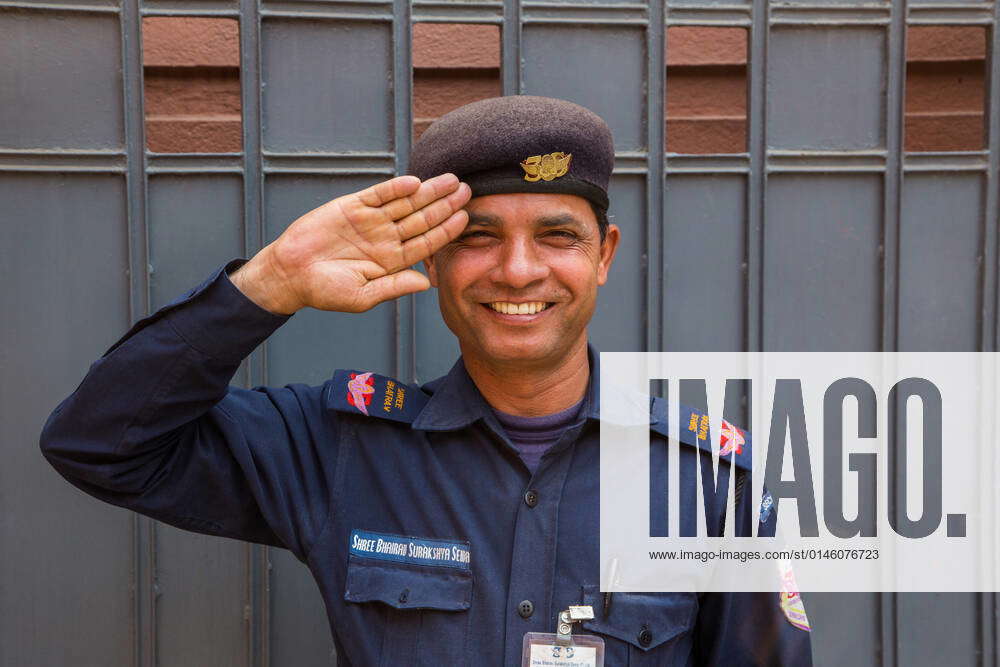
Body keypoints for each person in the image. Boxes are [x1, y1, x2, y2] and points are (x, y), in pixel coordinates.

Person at [40, 95, 812, 665]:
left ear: (603, 255)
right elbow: (99, 441)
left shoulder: (710, 485)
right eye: (478, 237)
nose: (518, 269)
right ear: (433, 259)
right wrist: (270, 281)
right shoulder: (339, 448)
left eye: (556, 236)